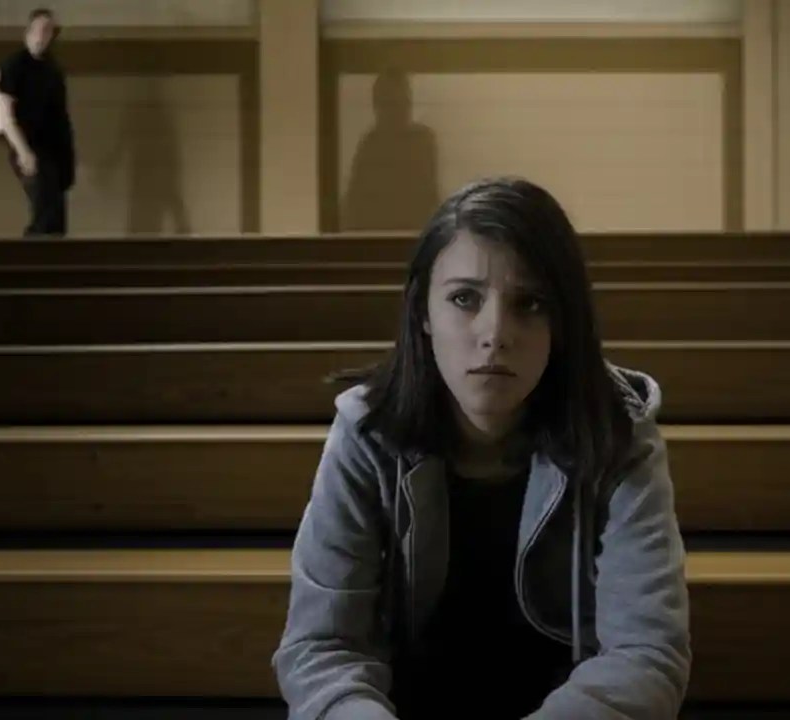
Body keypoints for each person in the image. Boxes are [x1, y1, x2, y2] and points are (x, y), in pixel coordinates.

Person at [273, 177, 691, 719]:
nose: (495, 332)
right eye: (464, 298)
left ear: (562, 323)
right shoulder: (365, 431)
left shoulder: (617, 433)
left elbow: (646, 655)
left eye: (530, 303)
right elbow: (320, 647)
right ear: (423, 312)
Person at [0, 7, 75, 236]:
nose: (41, 36)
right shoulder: (14, 65)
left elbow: (61, 117)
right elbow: (6, 116)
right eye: (38, 30)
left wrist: (68, 159)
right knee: (43, 212)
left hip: (54, 150)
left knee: (57, 215)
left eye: (47, 31)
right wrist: (23, 151)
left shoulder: (53, 70)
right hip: (29, 145)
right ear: (27, 33)